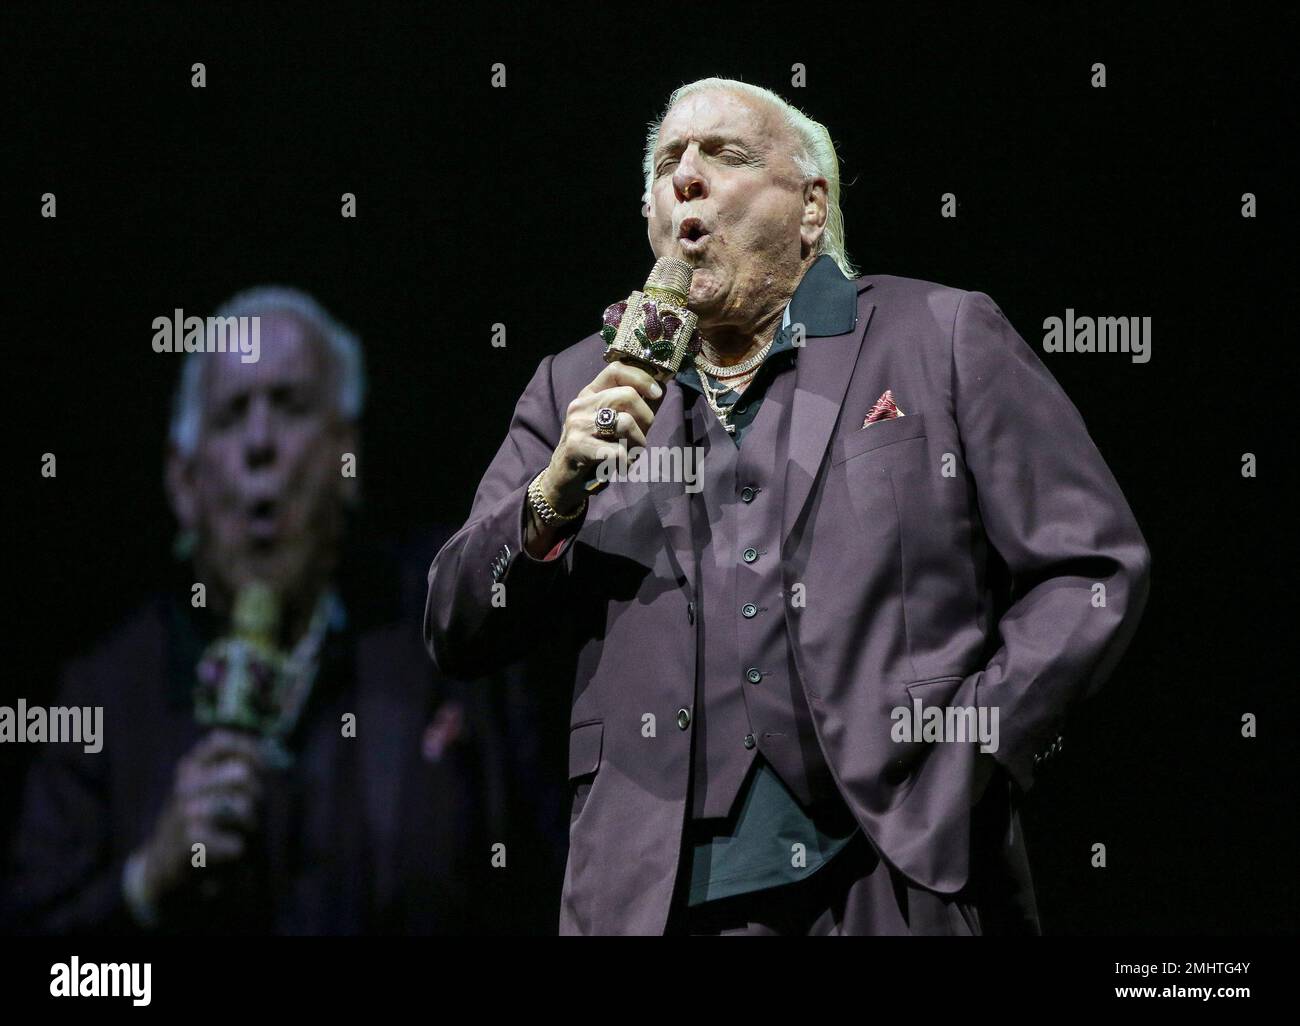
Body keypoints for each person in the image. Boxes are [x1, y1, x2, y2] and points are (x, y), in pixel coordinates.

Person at [425, 78, 1151, 935]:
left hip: (892, 873)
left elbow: (1092, 567)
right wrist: (550, 499)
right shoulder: (575, 385)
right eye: (667, 165)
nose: (685, 176)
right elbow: (455, 621)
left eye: (724, 156)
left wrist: (977, 745)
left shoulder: (936, 335)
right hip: (649, 897)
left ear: (812, 209)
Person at [7, 286, 538, 934]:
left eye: (289, 406)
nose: (260, 442)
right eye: (231, 415)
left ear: (347, 457)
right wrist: (147, 884)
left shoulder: (447, 635)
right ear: (183, 481)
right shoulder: (106, 695)